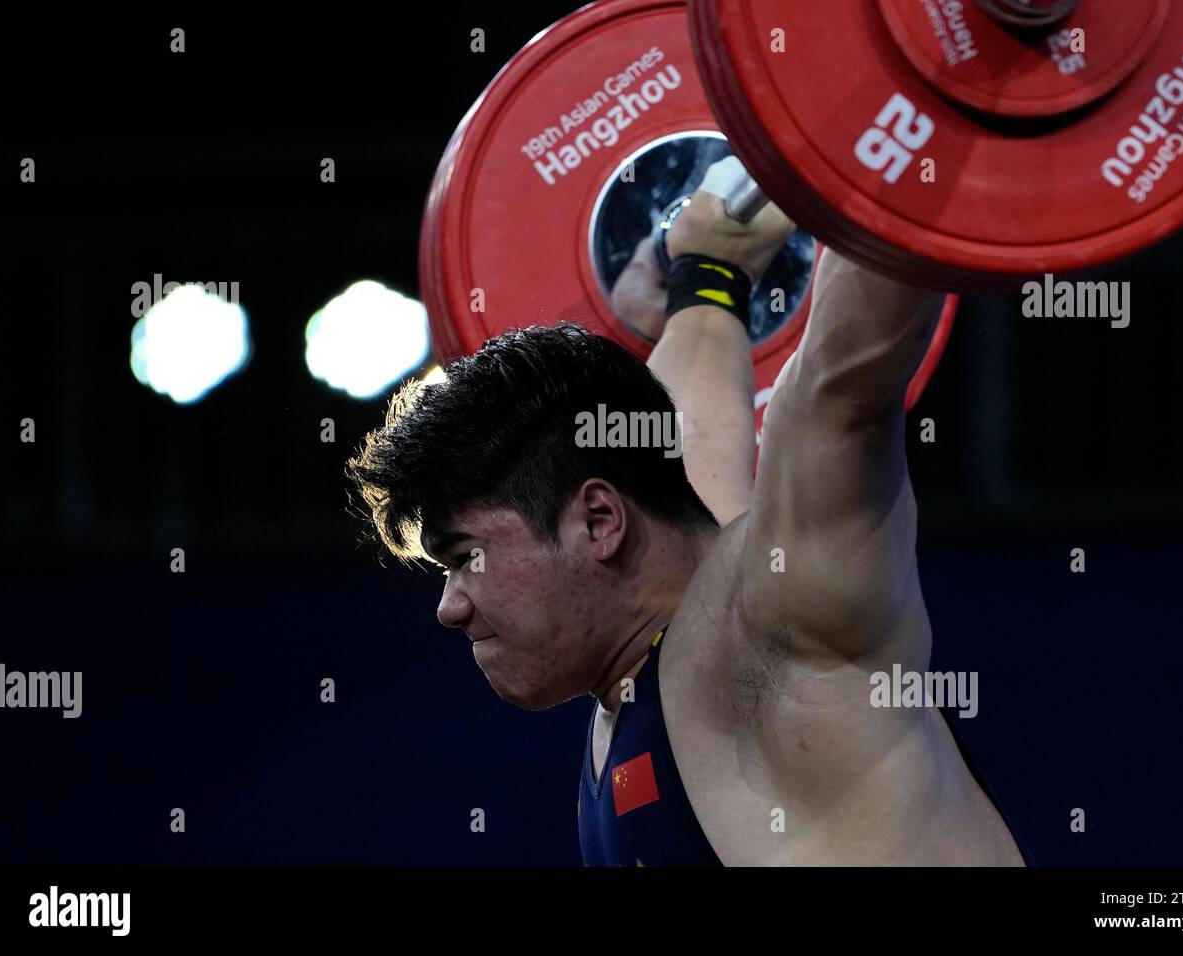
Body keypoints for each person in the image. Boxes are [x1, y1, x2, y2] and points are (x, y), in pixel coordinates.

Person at [346, 158, 1029, 866]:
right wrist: (708, 270)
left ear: (599, 524)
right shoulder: (647, 650)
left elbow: (843, 388)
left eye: (466, 558)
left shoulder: (775, 627)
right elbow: (692, 429)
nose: (448, 608)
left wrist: (898, 133)